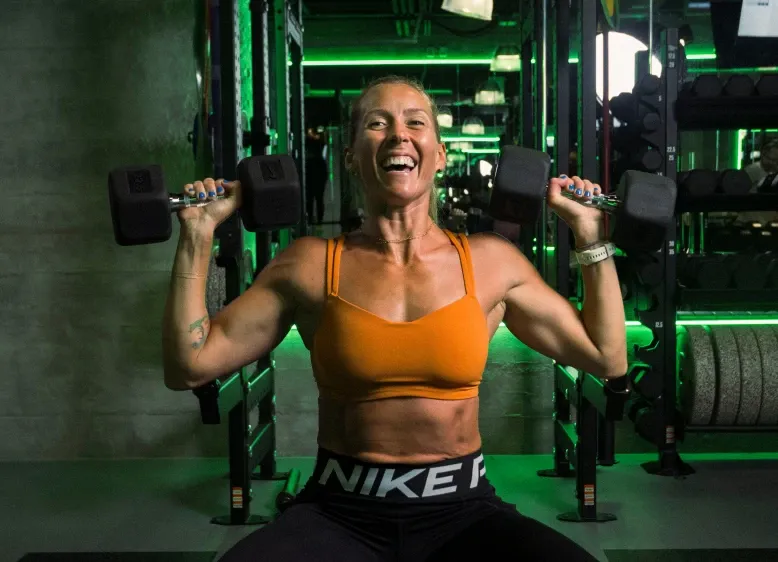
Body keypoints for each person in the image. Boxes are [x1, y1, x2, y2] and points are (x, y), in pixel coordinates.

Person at [162, 75, 627, 561]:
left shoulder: (492, 263)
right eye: (377, 124)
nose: (398, 135)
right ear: (350, 157)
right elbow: (188, 366)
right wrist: (197, 235)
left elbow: (607, 357)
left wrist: (589, 234)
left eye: (415, 123)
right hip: (338, 513)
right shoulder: (309, 265)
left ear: (439, 155)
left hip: (463, 512)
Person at [305, 127, 329, 226]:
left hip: (314, 172)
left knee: (311, 198)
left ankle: (312, 220)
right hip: (318, 171)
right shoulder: (319, 158)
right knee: (317, 198)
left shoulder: (310, 159)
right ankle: (318, 221)